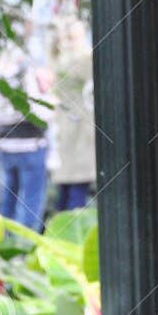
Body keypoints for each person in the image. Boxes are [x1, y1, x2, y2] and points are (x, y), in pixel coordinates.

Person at [0, 45, 51, 231]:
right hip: (30, 144)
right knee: (31, 202)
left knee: (8, 198)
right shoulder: (24, 73)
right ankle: (23, 247)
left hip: (5, 144)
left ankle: (5, 243)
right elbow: (39, 111)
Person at [49, 18, 96, 213]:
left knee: (66, 190)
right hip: (77, 128)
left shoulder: (57, 58)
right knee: (76, 189)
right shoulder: (77, 59)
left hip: (66, 125)